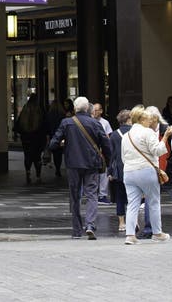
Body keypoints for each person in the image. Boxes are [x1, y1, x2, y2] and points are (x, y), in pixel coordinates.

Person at [48, 95, 111, 239]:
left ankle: (76, 230)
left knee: (75, 196)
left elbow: (53, 143)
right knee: (92, 195)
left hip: (73, 164)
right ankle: (90, 224)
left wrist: (63, 143)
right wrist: (109, 159)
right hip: (92, 164)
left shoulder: (66, 123)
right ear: (88, 108)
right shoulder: (96, 123)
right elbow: (106, 145)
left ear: (75, 108)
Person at [121, 104, 172, 245]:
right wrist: (165, 137)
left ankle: (130, 235)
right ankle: (157, 233)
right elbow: (158, 150)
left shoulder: (126, 136)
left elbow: (123, 157)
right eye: (148, 119)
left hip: (129, 172)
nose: (150, 122)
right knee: (153, 201)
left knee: (132, 204)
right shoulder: (147, 132)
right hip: (146, 171)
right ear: (141, 120)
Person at [15, 93, 47, 185]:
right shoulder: (40, 109)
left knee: (27, 156)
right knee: (37, 157)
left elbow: (18, 124)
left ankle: (28, 172)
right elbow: (44, 124)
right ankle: (38, 176)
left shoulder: (25, 109)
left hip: (26, 138)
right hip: (37, 137)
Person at [107, 109, 131, 232]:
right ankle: (134, 222)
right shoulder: (135, 132)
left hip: (119, 171)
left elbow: (112, 156)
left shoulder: (114, 135)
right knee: (134, 197)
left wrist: (110, 172)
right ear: (128, 120)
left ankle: (121, 223)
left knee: (120, 197)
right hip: (133, 168)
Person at [92, 102, 113, 203]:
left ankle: (102, 195)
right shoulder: (89, 121)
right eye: (93, 110)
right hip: (92, 151)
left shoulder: (105, 123)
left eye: (97, 110)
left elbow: (108, 137)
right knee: (93, 173)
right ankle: (93, 193)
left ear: (101, 111)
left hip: (102, 152)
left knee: (104, 173)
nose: (95, 112)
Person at [46, 99, 66, 178]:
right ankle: (58, 167)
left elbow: (47, 126)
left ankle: (57, 167)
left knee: (54, 152)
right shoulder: (62, 114)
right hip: (61, 137)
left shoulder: (49, 114)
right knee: (59, 153)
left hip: (52, 136)